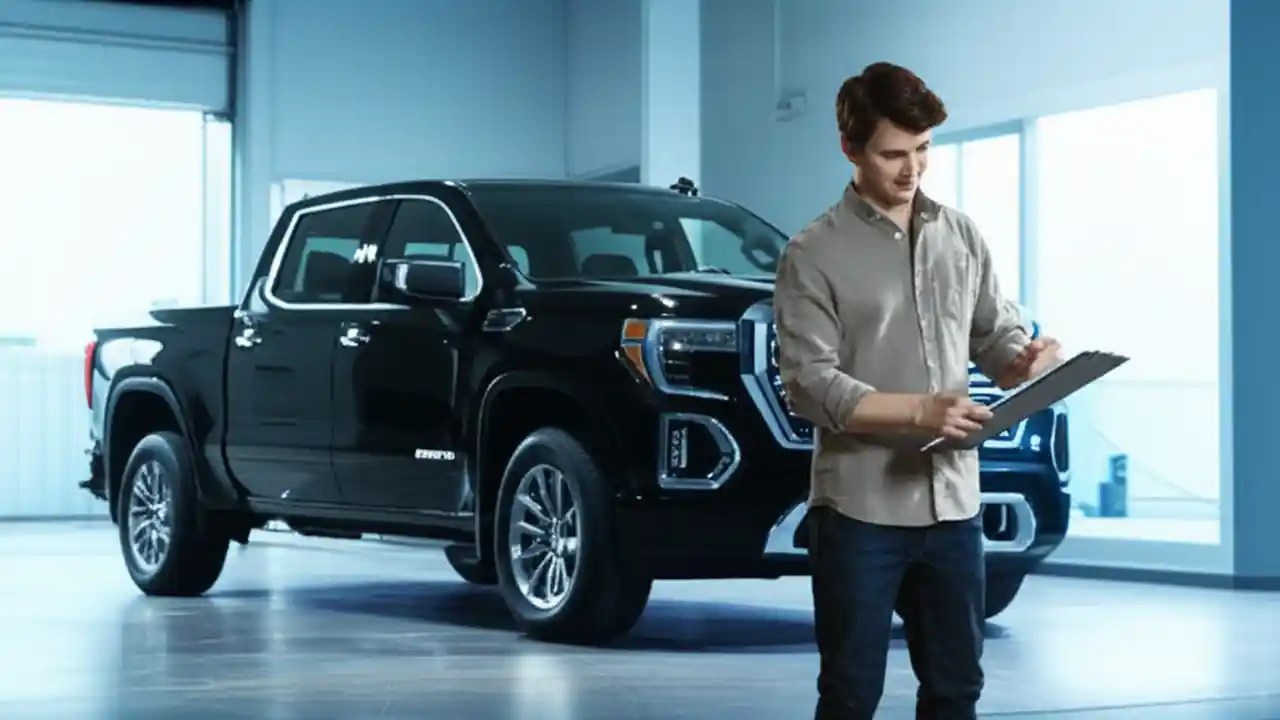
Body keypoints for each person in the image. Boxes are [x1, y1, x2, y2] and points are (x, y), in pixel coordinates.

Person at [772, 61, 1062, 720]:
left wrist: (1029, 359)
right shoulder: (812, 253)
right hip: (859, 514)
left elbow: (996, 337)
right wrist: (919, 412)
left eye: (924, 150)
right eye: (893, 154)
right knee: (850, 696)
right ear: (850, 149)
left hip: (955, 509)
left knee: (957, 692)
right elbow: (809, 385)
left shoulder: (959, 235)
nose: (912, 169)